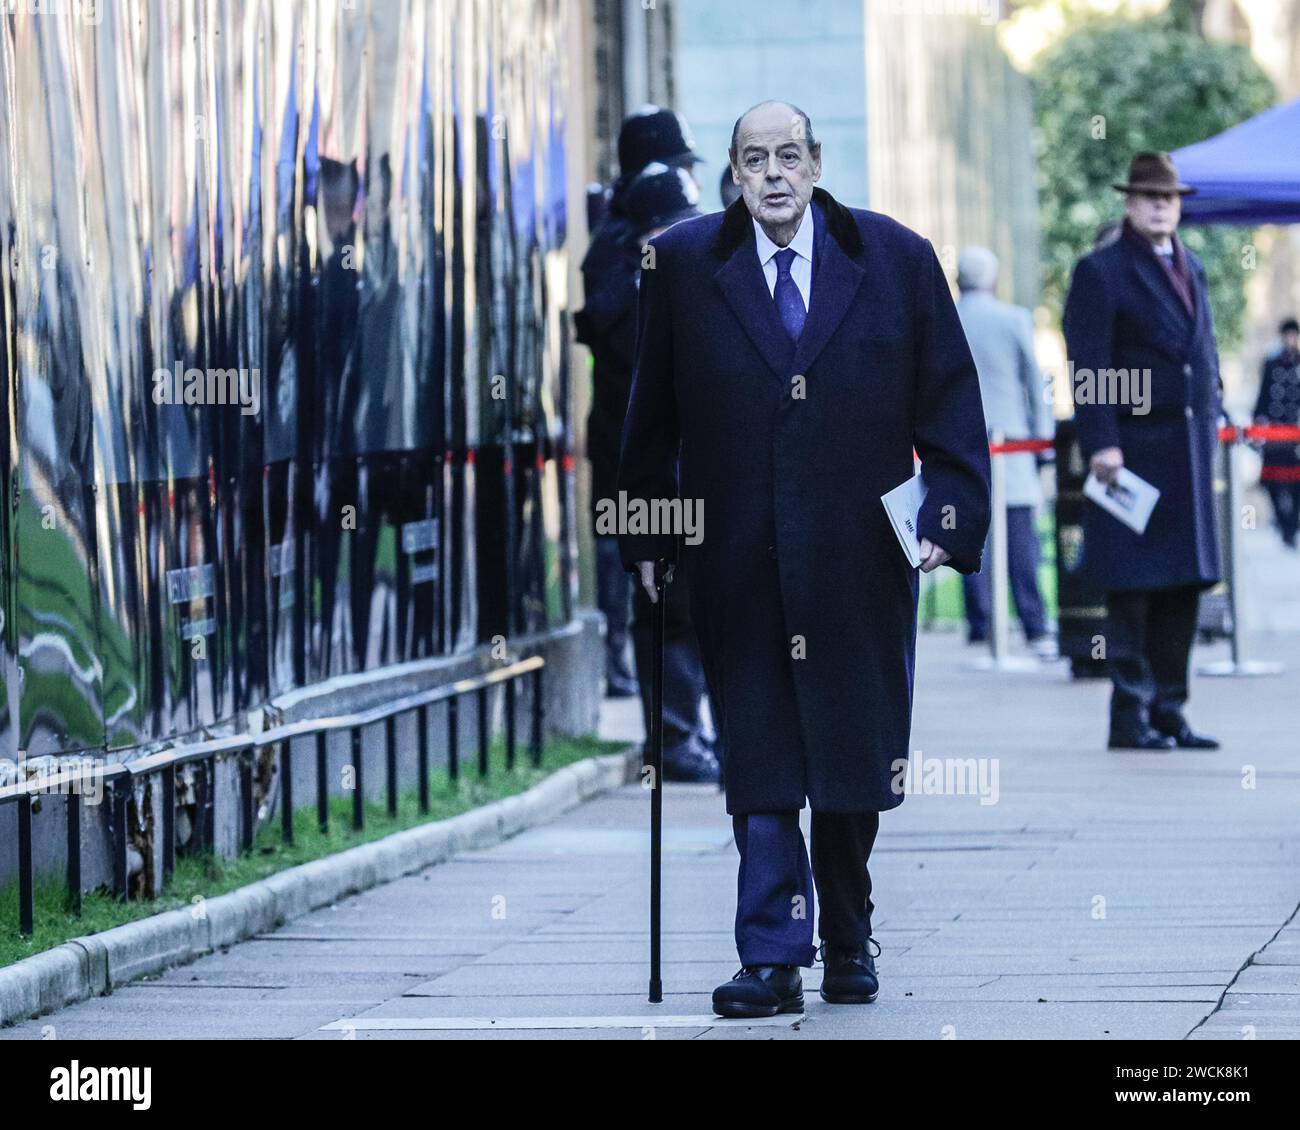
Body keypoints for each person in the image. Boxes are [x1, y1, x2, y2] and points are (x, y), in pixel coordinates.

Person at [617, 100, 990, 1017]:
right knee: (761, 752)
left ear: (817, 164)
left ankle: (850, 932)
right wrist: (652, 533)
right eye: (754, 159)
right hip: (738, 556)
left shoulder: (894, 258)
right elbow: (650, 416)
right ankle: (774, 952)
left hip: (858, 556)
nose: (773, 173)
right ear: (735, 175)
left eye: (789, 155)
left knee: (851, 755)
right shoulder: (686, 267)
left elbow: (949, 399)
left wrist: (949, 510)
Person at [1062, 151, 1222, 752]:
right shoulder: (1100, 271)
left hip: (1183, 451)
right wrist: (1101, 443)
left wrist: (1212, 417)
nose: (1162, 206)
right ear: (1129, 202)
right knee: (1132, 590)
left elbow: (1200, 352)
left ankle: (1169, 711)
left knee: (1182, 587)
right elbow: (1089, 366)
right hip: (1130, 453)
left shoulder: (1193, 265)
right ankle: (1130, 716)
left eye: (1171, 197)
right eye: (1151, 197)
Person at [577, 163, 721, 782]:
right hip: (661, 477)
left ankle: (682, 734)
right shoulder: (645, 294)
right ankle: (675, 737)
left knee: (674, 607)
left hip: (656, 474)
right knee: (672, 609)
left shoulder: (639, 288)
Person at [955, 246, 1055, 657]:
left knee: (966, 533)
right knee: (1019, 536)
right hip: (1013, 442)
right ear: (993, 280)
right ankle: (1033, 622)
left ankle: (980, 624)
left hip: (960, 442)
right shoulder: (1013, 319)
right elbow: (1035, 383)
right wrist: (1043, 439)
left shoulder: (947, 316)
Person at [1253, 317, 1300, 549]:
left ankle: (1291, 527)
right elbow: (1263, 397)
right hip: (1274, 433)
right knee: (1271, 481)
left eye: (1293, 335)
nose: (1290, 339)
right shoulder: (1271, 365)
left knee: (1296, 486)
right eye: (1287, 335)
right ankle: (1283, 524)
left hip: (1295, 436)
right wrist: (1257, 423)